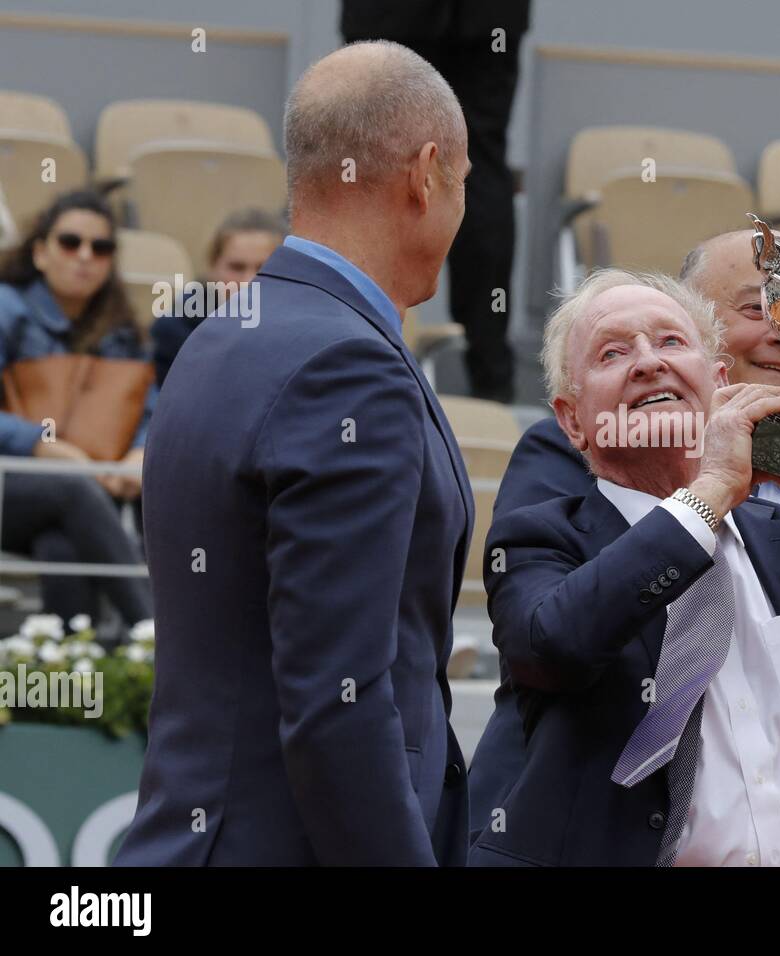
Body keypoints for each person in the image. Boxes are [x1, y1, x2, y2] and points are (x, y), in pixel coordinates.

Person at [116, 41, 474, 866]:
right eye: (463, 182)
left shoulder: (221, 337)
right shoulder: (348, 365)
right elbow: (338, 704)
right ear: (425, 174)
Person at [467, 268, 780, 866]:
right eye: (613, 353)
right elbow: (554, 647)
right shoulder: (543, 537)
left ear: (718, 380)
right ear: (572, 421)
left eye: (671, 342)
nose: (648, 363)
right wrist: (713, 489)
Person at [342, 0, 529, 403]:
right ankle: (491, 376)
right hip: (487, 17)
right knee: (478, 162)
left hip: (393, 17)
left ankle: (356, 347)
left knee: (379, 161)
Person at [0, 189, 153, 629]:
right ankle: (152, 633)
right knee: (71, 488)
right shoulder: (7, 310)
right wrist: (43, 446)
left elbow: (152, 410)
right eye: (70, 242)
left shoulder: (122, 332)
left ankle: (67, 685)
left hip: (69, 501)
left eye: (100, 247)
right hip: (13, 482)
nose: (85, 256)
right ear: (40, 253)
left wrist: (139, 454)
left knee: (62, 547)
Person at [151, 208, 286, 388]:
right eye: (237, 267)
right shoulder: (177, 331)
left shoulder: (308, 332)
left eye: (265, 268)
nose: (249, 281)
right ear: (213, 267)